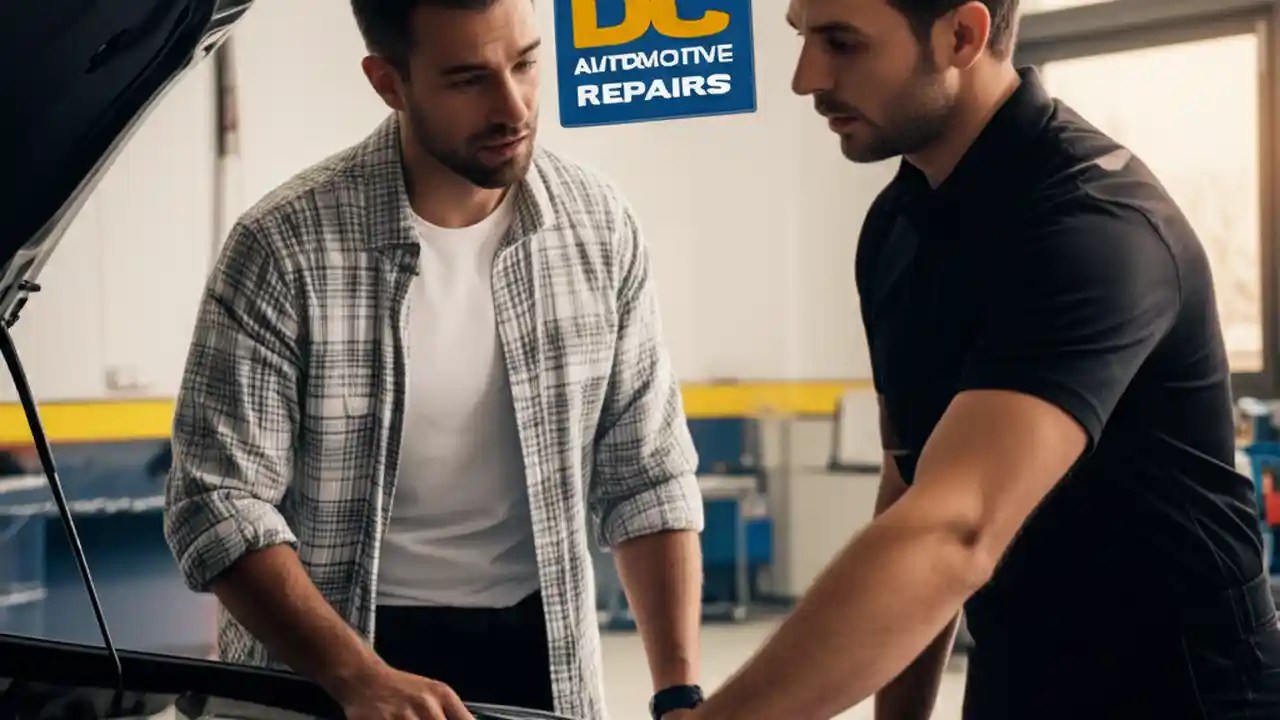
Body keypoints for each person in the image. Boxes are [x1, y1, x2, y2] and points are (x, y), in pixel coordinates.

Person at [687, 1, 1280, 719]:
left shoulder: (1096, 225)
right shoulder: (896, 227)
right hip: (1015, 682)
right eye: (803, 37)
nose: (805, 78)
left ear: (962, 36)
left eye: (840, 42)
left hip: (1183, 695)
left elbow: (954, 529)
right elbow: (912, 490)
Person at [161, 1, 708, 719]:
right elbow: (218, 505)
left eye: (525, 63)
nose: (512, 106)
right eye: (466, 80)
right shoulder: (282, 247)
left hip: (537, 655)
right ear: (389, 82)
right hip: (325, 660)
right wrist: (357, 677)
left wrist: (678, 694)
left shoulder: (599, 229)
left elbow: (647, 477)